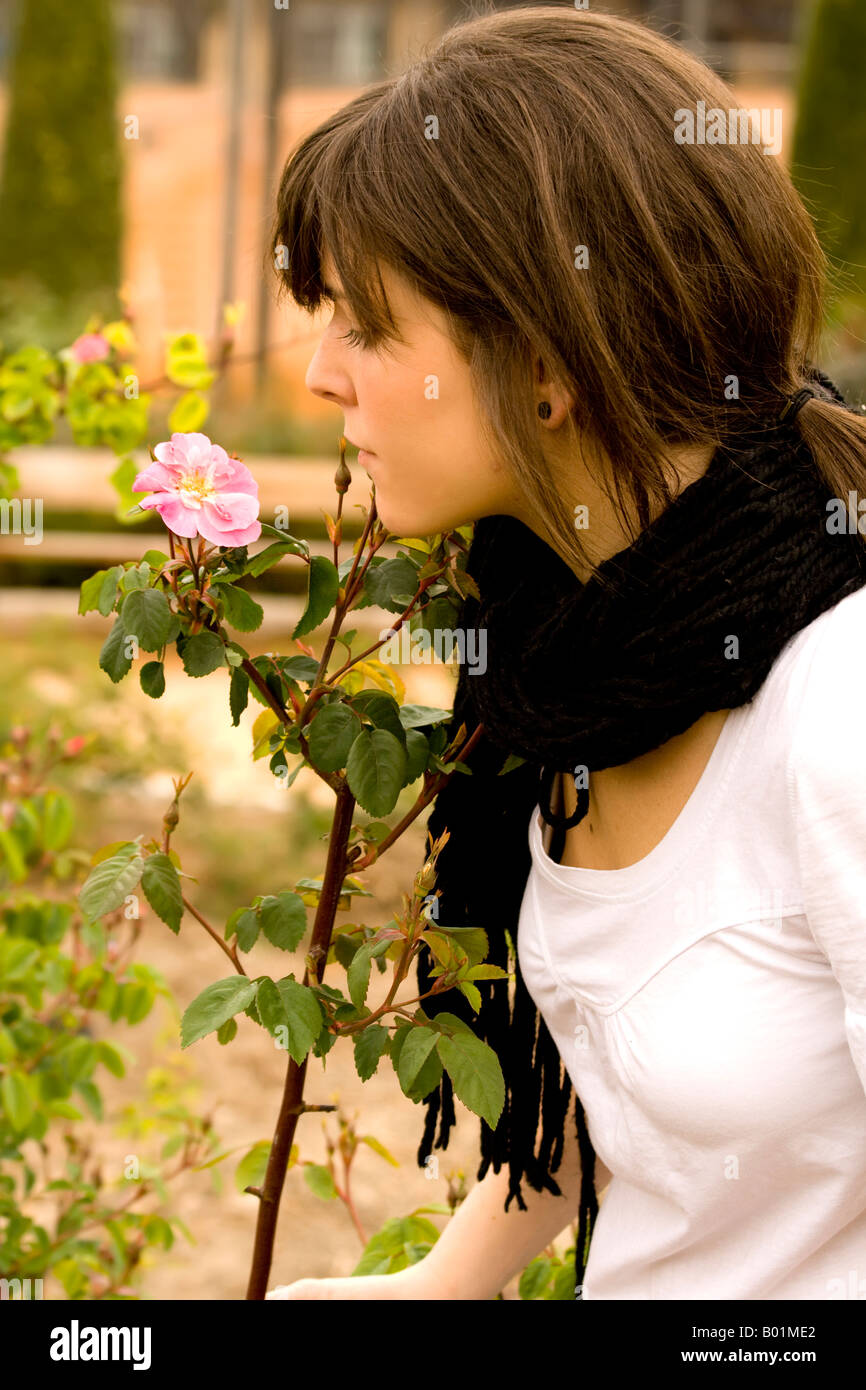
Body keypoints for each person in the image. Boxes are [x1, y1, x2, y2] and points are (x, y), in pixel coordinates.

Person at [264, 6, 866, 1300]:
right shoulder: (569, 645)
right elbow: (632, 1076)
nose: (317, 374)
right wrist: (445, 1282)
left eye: (364, 325)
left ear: (542, 361)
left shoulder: (838, 697)